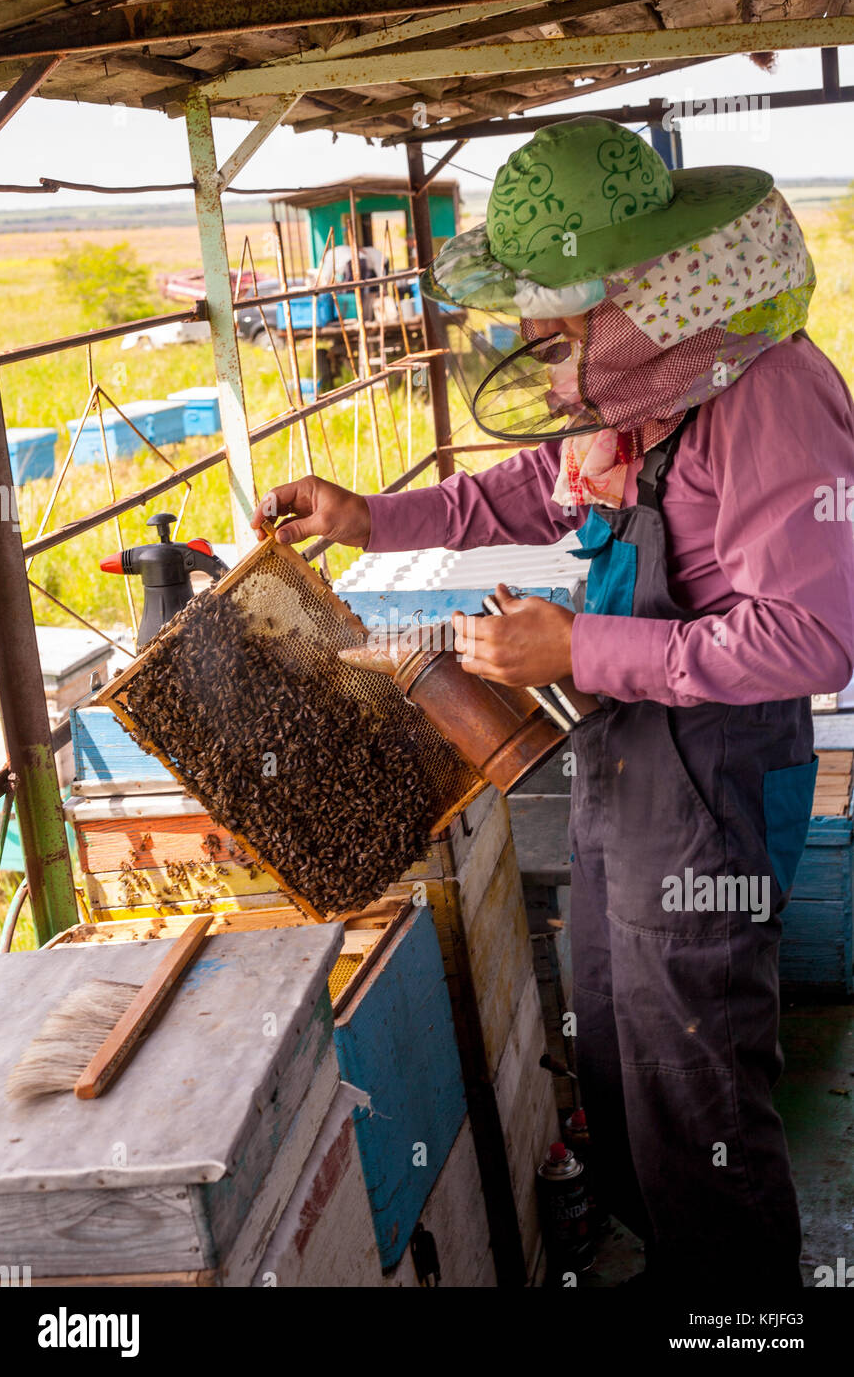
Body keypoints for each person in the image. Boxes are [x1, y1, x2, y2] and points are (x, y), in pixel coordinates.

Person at [252, 117, 854, 1291]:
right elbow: (543, 480)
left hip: (717, 782)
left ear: (633, 294)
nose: (529, 336)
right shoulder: (641, 390)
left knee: (696, 1084)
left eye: (549, 310)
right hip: (629, 773)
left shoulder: (770, 392)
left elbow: (813, 635)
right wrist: (375, 515)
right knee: (622, 1054)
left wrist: (582, 644)